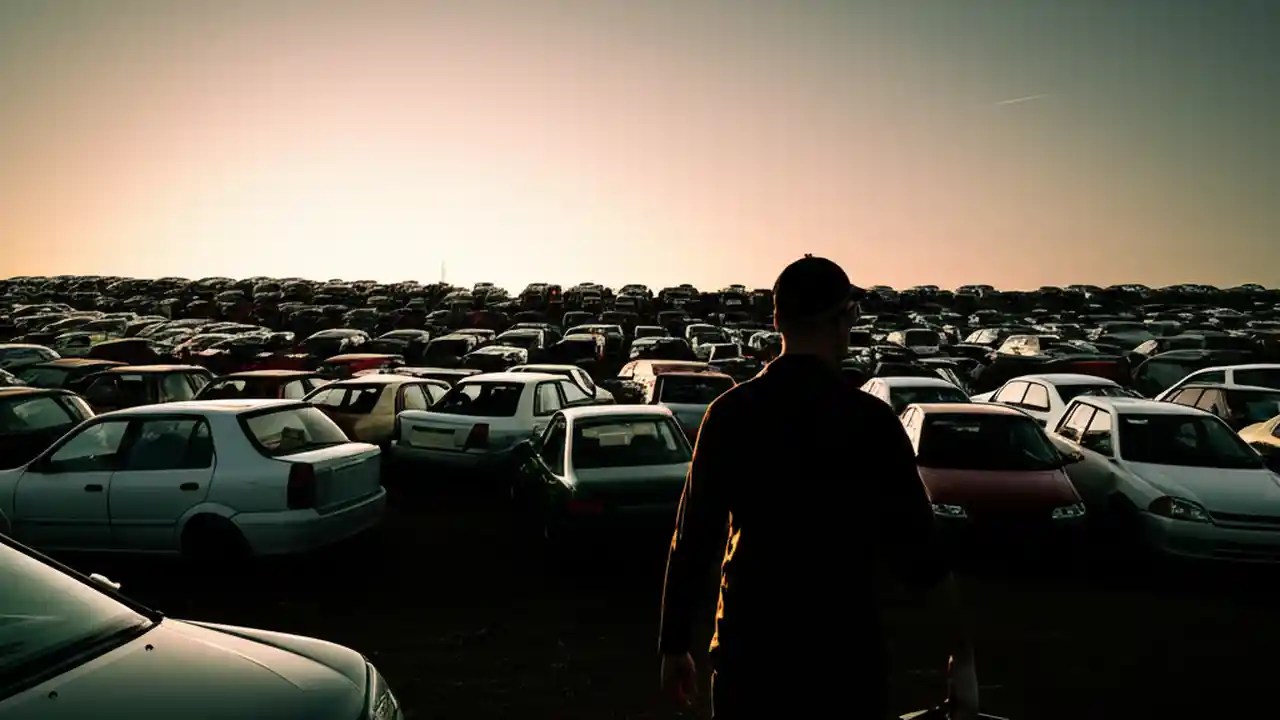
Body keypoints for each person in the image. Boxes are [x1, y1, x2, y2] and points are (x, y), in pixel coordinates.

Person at [658, 255, 979, 719]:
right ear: (846, 318)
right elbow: (920, 552)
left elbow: (692, 539)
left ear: (776, 320)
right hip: (845, 661)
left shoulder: (729, 415)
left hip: (750, 657)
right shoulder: (871, 423)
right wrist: (961, 654)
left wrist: (673, 646)